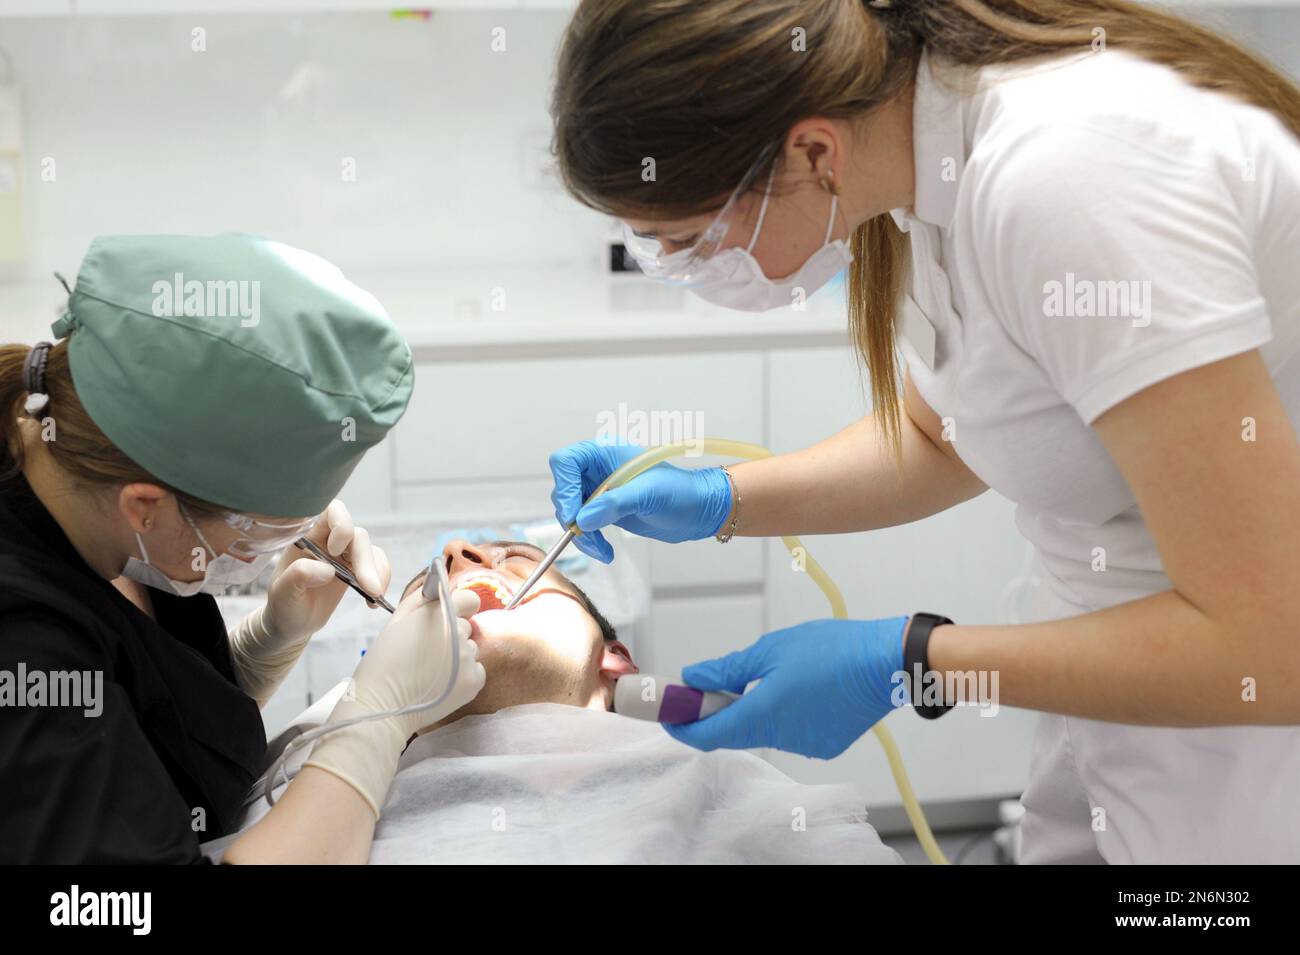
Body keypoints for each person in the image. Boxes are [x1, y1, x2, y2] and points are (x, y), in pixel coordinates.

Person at [544, 0, 1300, 863]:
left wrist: (913, 660)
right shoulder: (917, 171)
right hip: (1130, 688)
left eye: (688, 240)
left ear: (814, 150)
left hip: (1252, 737)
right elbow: (948, 435)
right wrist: (723, 497)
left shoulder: (1073, 182)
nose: (687, 267)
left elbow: (1273, 644)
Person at [0, 233, 484, 864]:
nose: (258, 558)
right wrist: (379, 717)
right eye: (259, 534)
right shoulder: (22, 647)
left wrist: (266, 646)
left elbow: (138, 720)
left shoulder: (92, 493)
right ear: (145, 505)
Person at [226, 539, 901, 864]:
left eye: (519, 559)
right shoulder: (330, 762)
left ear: (616, 664)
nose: (460, 555)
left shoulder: (718, 780)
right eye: (433, 577)